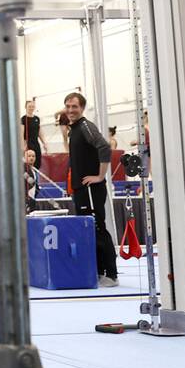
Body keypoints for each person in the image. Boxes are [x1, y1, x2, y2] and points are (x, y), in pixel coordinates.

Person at [65, 91, 119, 288]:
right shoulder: (74, 129)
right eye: (68, 106)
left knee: (98, 228)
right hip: (81, 188)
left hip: (91, 188)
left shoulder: (86, 126)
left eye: (75, 107)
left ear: (82, 108)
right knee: (88, 231)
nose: (71, 110)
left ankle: (111, 274)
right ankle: (97, 271)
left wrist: (100, 176)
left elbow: (104, 147)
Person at [21, 99, 45, 170]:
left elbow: (39, 131)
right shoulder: (23, 119)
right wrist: (23, 145)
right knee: (29, 162)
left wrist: (44, 143)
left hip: (36, 142)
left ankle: (36, 178)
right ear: (26, 107)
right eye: (29, 106)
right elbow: (21, 134)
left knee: (38, 161)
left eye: (32, 106)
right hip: (28, 143)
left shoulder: (37, 118)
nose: (31, 108)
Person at [24, 147, 40, 213]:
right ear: (25, 158)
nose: (31, 158)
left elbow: (36, 185)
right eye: (29, 156)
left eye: (33, 156)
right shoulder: (23, 169)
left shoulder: (35, 171)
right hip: (26, 200)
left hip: (32, 199)